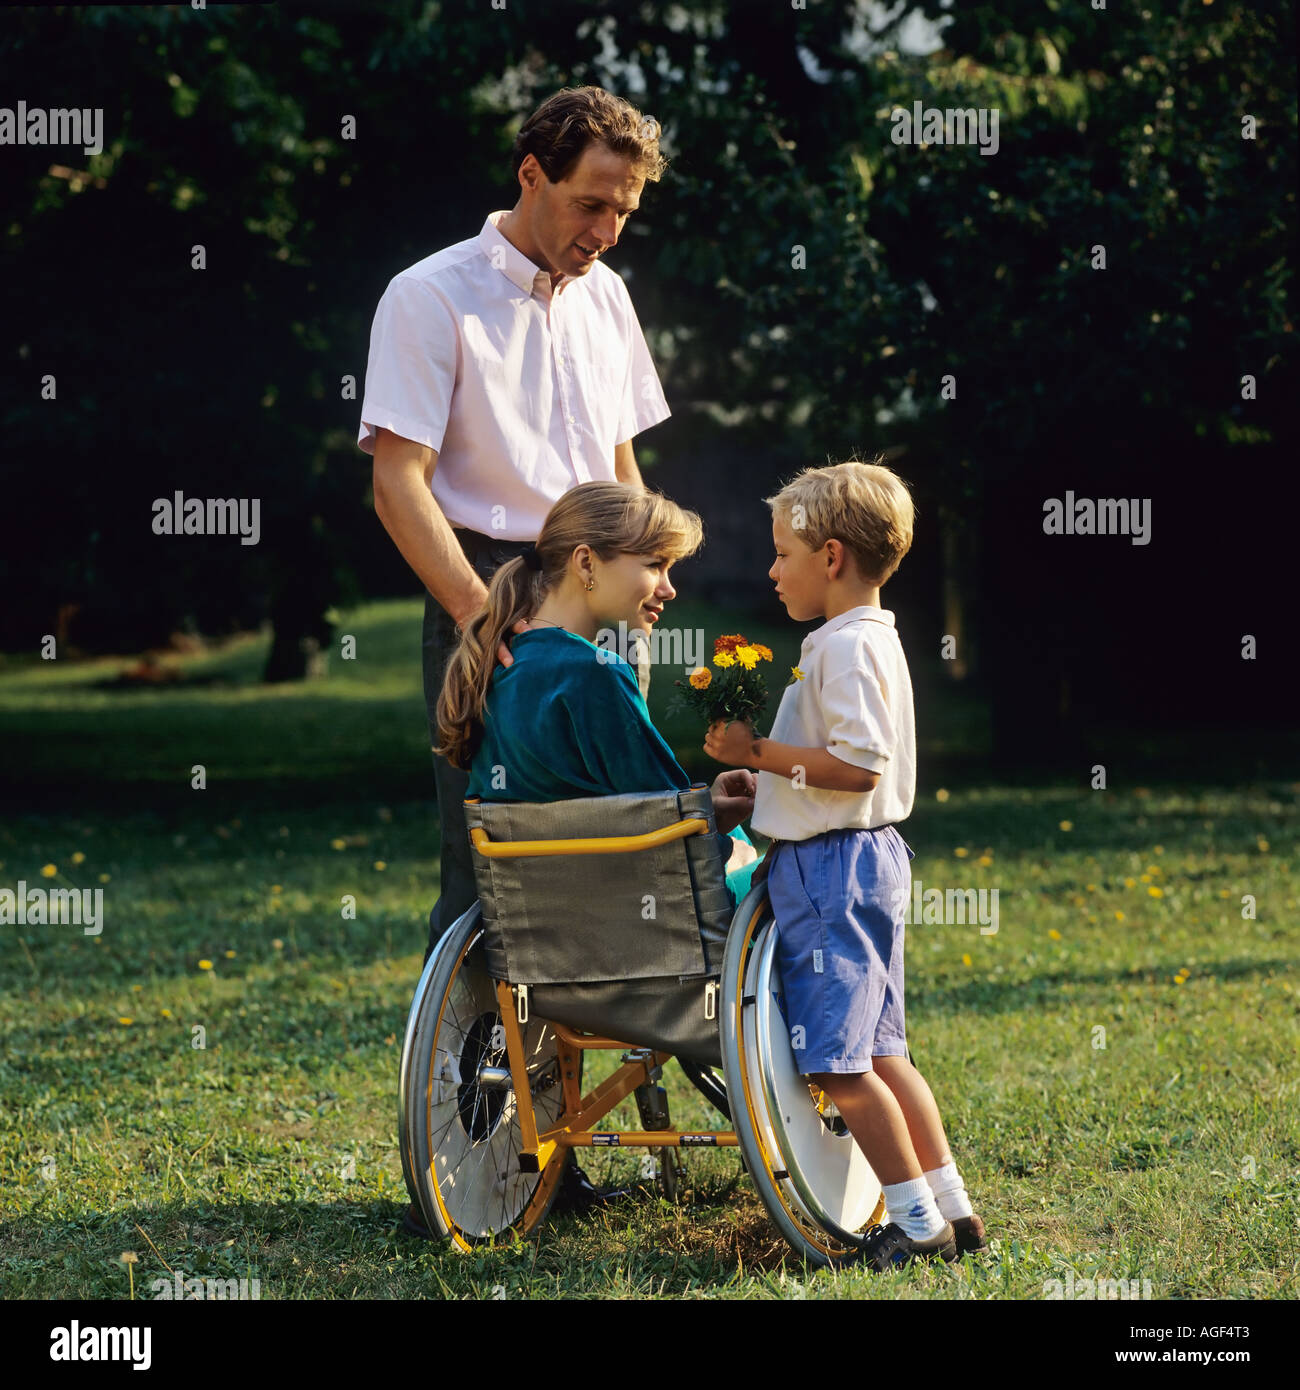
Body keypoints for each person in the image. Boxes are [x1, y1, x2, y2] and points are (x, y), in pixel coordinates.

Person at [358, 86, 673, 970]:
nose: (608, 229)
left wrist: (645, 572)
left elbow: (622, 470)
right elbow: (397, 485)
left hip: (605, 590)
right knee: (490, 866)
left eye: (624, 210)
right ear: (531, 175)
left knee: (621, 849)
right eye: (591, 204)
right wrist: (479, 615)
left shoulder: (608, 298)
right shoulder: (428, 296)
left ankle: (592, 1095)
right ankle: (476, 1102)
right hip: (490, 587)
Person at [703, 457, 987, 1271]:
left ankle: (915, 1224)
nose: (771, 568)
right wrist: (760, 785)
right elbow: (835, 766)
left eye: (782, 552)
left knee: (839, 1060)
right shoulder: (860, 640)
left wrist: (755, 747)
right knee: (885, 1052)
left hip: (833, 871)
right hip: (858, 858)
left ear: (830, 557)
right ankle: (954, 1209)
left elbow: (857, 767)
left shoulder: (845, 648)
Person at [437, 481, 759, 904]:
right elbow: (672, 827)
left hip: (537, 921)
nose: (669, 588)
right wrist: (728, 842)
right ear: (586, 563)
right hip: (636, 913)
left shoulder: (494, 666)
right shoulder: (597, 673)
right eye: (655, 565)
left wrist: (709, 807)